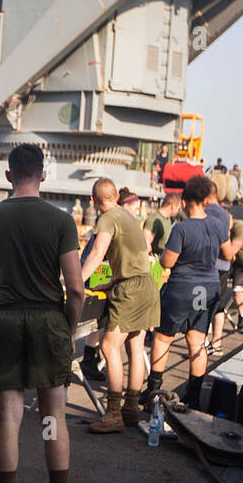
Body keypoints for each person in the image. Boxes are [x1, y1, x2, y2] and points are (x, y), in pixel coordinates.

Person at [0, 144, 84, 483]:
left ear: (8, 175)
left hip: (5, 321)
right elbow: (76, 289)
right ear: (43, 174)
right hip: (48, 323)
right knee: (53, 418)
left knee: (8, 417)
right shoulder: (60, 220)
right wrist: (69, 329)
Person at [143, 176, 231, 410]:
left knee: (163, 338)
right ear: (205, 200)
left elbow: (167, 262)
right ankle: (194, 398)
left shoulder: (181, 228)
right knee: (197, 341)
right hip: (208, 287)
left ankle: (153, 392)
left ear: (184, 202)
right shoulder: (218, 225)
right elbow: (228, 254)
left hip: (181, 288)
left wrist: (166, 258)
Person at [78, 181, 160, 433]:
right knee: (135, 346)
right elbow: (133, 258)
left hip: (130, 290)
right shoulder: (127, 215)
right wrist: (111, 282)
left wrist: (76, 283)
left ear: (93, 201)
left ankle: (113, 413)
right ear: (116, 195)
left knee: (108, 346)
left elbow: (96, 253)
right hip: (147, 285)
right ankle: (131, 409)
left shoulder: (108, 218)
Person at [204, 180, 233, 356]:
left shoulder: (207, 212)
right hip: (223, 266)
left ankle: (203, 343)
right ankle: (217, 343)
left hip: (209, 264)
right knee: (220, 305)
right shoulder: (225, 214)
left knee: (204, 304)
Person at [143, 192, 182, 258]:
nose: (179, 211)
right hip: (156, 261)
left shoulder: (167, 219)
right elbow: (146, 244)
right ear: (172, 206)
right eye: (178, 208)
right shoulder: (153, 220)